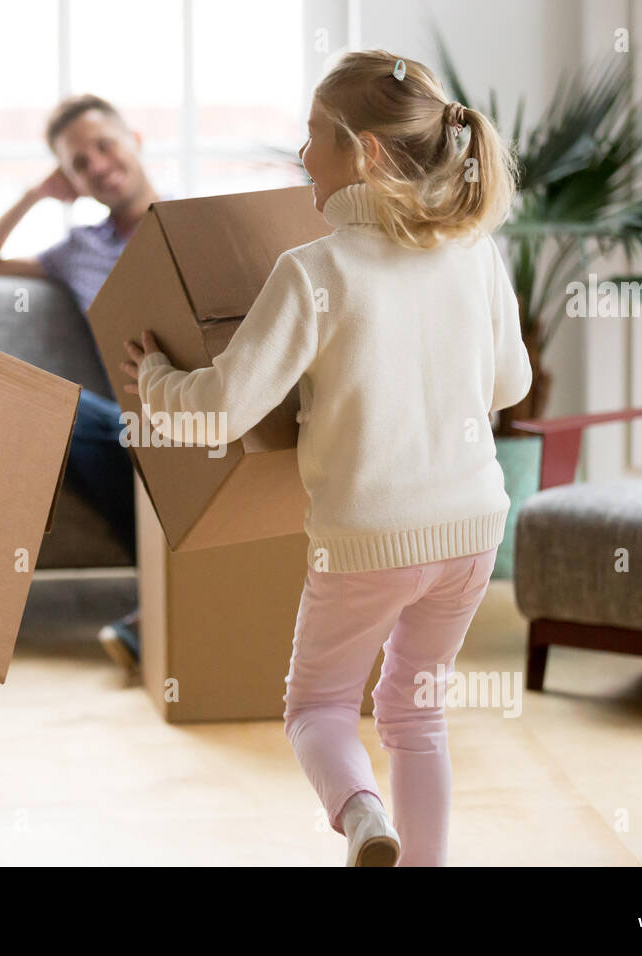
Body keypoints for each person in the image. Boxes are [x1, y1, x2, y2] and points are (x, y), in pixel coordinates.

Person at [119, 52, 530, 867]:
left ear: (365, 153)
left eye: (313, 138)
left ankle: (364, 817)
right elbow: (510, 383)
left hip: (366, 539)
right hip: (473, 528)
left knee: (317, 708)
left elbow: (222, 410)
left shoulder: (316, 269)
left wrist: (155, 381)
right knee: (418, 714)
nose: (302, 156)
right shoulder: (474, 251)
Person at [0, 94, 162, 673]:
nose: (97, 165)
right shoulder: (78, 251)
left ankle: (168, 607)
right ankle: (167, 598)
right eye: (78, 163)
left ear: (135, 141)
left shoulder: (197, 221)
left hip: (213, 405)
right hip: (133, 422)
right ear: (68, 180)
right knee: (54, 407)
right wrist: (32, 196)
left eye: (104, 145)